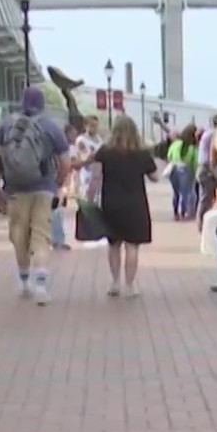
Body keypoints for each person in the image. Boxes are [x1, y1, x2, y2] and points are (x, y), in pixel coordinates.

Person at [0, 85, 72, 305]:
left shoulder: (7, 125)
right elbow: (66, 162)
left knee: (19, 235)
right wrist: (57, 184)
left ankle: (24, 281)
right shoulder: (51, 127)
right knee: (41, 237)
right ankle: (41, 286)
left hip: (15, 189)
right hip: (43, 189)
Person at [81, 116, 158, 298]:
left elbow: (96, 175)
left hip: (111, 204)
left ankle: (115, 282)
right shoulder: (141, 153)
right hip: (135, 205)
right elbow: (155, 177)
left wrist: (89, 198)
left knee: (114, 244)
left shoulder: (105, 151)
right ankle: (130, 286)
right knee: (132, 246)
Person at [164, 123, 200, 221]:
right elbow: (195, 162)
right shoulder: (192, 147)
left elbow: (169, 156)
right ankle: (183, 212)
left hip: (174, 168)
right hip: (186, 169)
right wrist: (195, 174)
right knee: (186, 193)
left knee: (176, 193)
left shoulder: (175, 144)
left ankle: (176, 213)